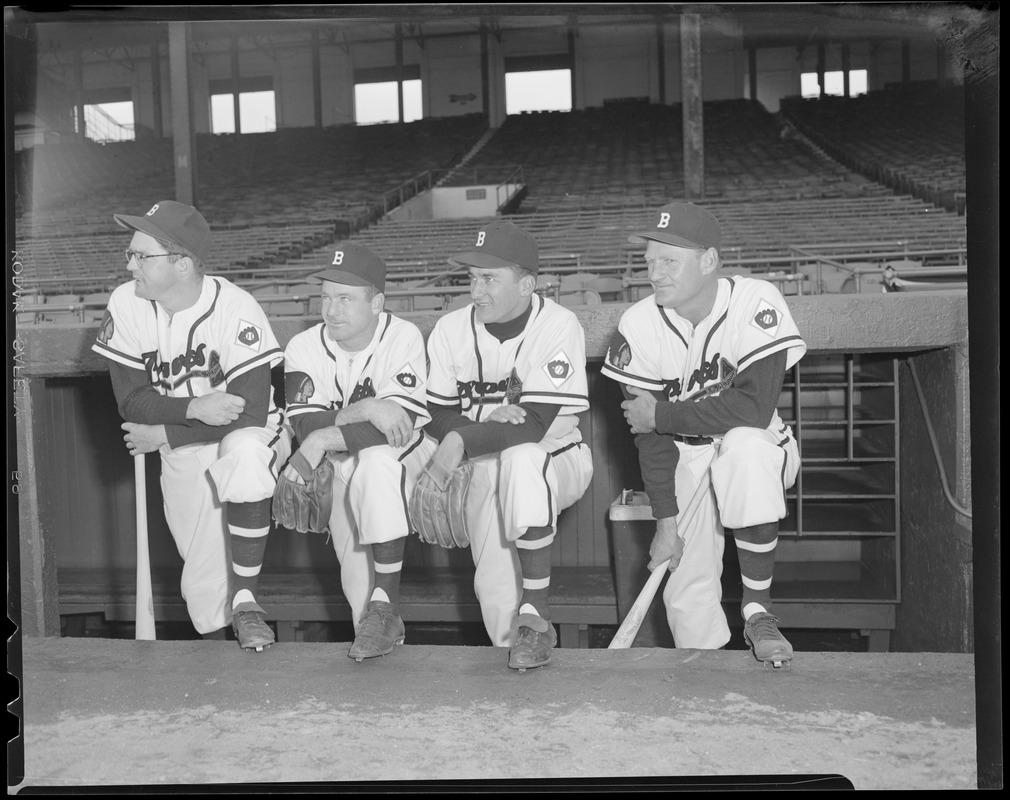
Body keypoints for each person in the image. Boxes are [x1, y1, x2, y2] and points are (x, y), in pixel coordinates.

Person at [601, 202, 807, 666]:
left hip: (762, 446)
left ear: (709, 261)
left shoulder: (756, 300)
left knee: (744, 448)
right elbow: (648, 437)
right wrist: (665, 524)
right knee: (684, 592)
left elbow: (753, 409)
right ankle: (705, 686)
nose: (655, 273)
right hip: (682, 456)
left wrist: (662, 416)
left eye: (669, 261)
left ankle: (757, 610)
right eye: (650, 261)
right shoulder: (638, 323)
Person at [92, 200, 291, 650]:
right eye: (130, 254)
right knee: (201, 588)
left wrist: (163, 431)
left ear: (182, 264)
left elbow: (252, 412)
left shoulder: (236, 307)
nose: (130, 265)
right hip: (184, 443)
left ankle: (246, 602)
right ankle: (227, 663)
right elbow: (132, 402)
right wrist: (192, 409)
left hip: (248, 433)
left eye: (142, 256)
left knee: (244, 454)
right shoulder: (127, 302)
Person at [420, 220, 594, 670]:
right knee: (494, 578)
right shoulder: (449, 329)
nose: (476, 290)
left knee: (520, 457)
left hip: (557, 458)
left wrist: (462, 434)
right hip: (482, 461)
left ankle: (536, 614)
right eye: (472, 278)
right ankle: (513, 657)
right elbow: (436, 413)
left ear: (526, 284)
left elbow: (533, 424)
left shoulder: (558, 324)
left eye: (490, 279)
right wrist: (474, 426)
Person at [278, 243, 435, 661]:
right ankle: (380, 640)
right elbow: (306, 424)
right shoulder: (303, 347)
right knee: (355, 584)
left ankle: (387, 607)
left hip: (406, 453)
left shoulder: (401, 337)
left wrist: (320, 440)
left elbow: (394, 427)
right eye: (326, 297)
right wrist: (366, 408)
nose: (331, 309)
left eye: (345, 298)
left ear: (377, 303)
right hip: (340, 462)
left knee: (377, 463)